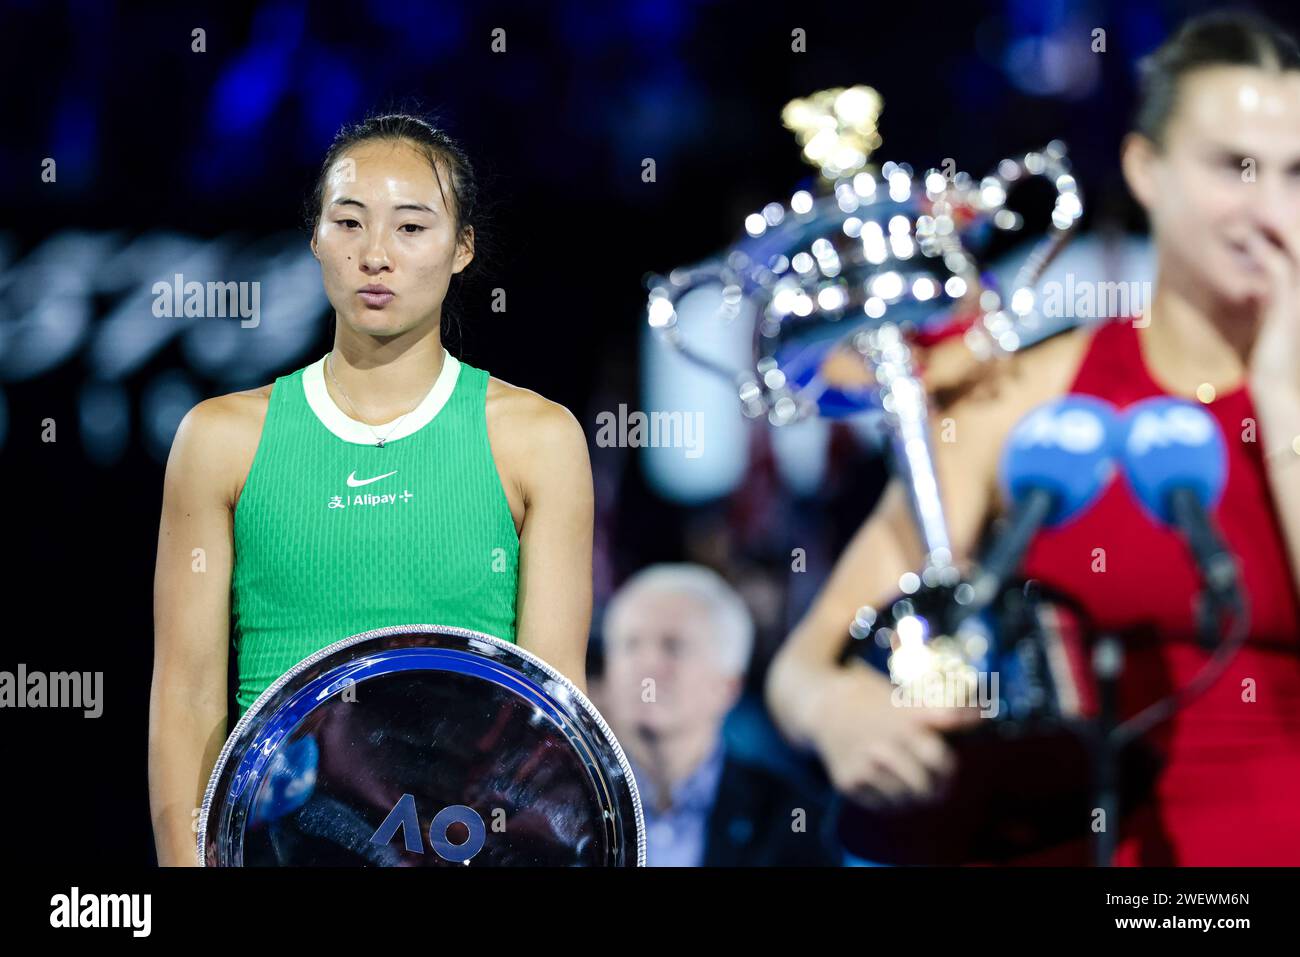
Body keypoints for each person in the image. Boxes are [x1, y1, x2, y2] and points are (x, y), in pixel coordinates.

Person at [766, 10, 1300, 865]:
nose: (1270, 209)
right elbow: (801, 668)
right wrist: (839, 711)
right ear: (1145, 169)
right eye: (1234, 168)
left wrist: (1279, 384)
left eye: (1295, 173)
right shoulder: (1028, 394)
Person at [148, 113, 594, 866]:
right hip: (281, 847)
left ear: (463, 249)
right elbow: (186, 701)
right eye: (348, 222)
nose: (375, 255)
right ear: (315, 238)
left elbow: (550, 722)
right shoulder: (221, 439)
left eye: (412, 228)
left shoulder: (538, 439)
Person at [599, 564, 840, 866]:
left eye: (674, 646)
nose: (647, 664)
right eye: (630, 644)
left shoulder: (790, 818)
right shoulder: (564, 801)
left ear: (728, 685)